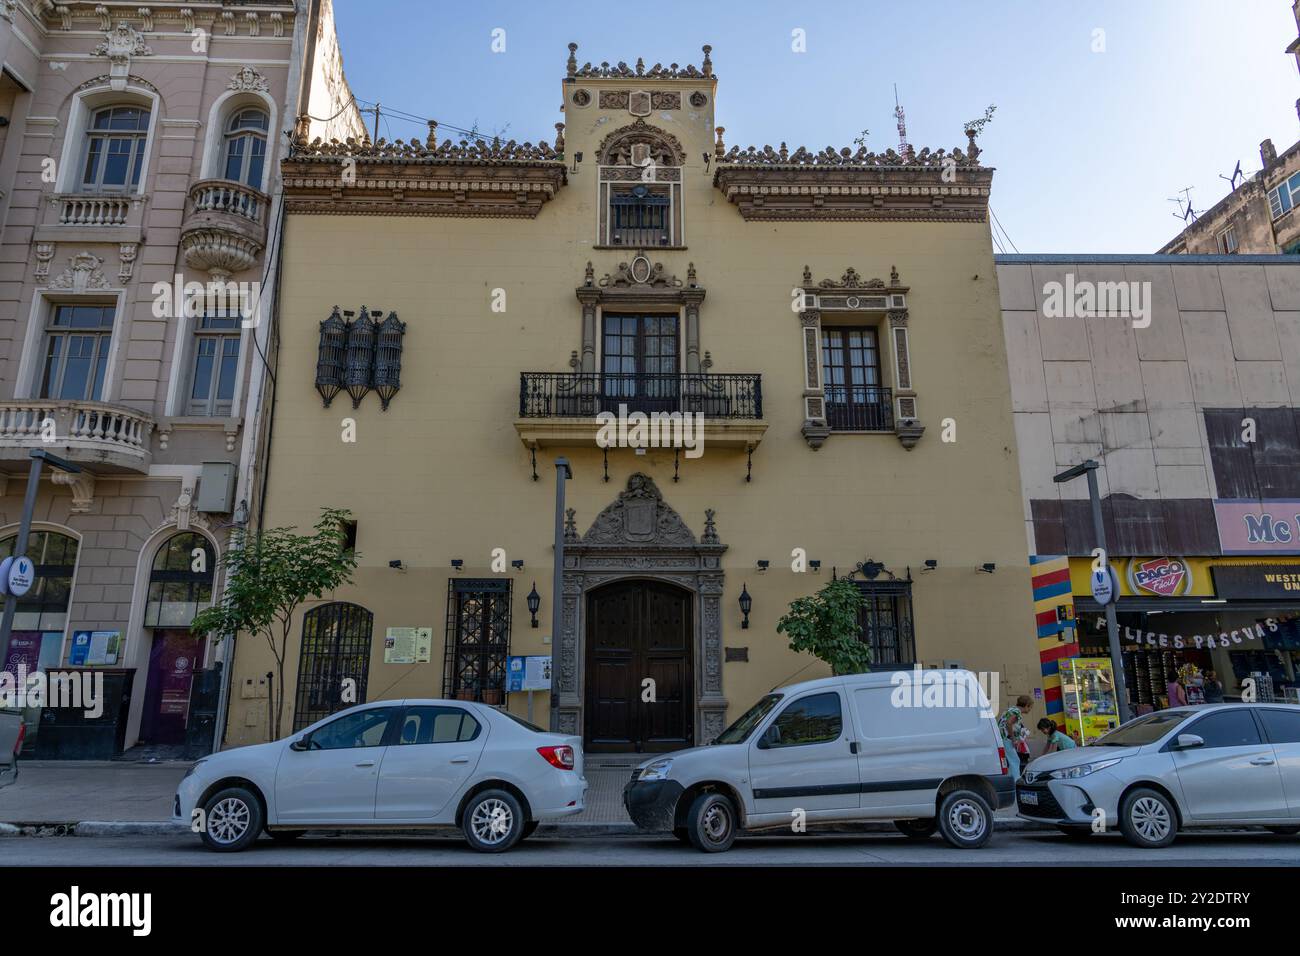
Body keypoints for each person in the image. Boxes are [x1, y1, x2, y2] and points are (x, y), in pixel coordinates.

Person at [998, 695, 1033, 774]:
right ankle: (1016, 781)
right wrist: (1013, 739)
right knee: (1014, 761)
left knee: (1011, 761)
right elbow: (1009, 723)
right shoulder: (1017, 712)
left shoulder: (1011, 709)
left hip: (1001, 737)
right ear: (1027, 705)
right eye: (1030, 707)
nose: (1030, 709)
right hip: (1006, 738)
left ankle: (1011, 779)